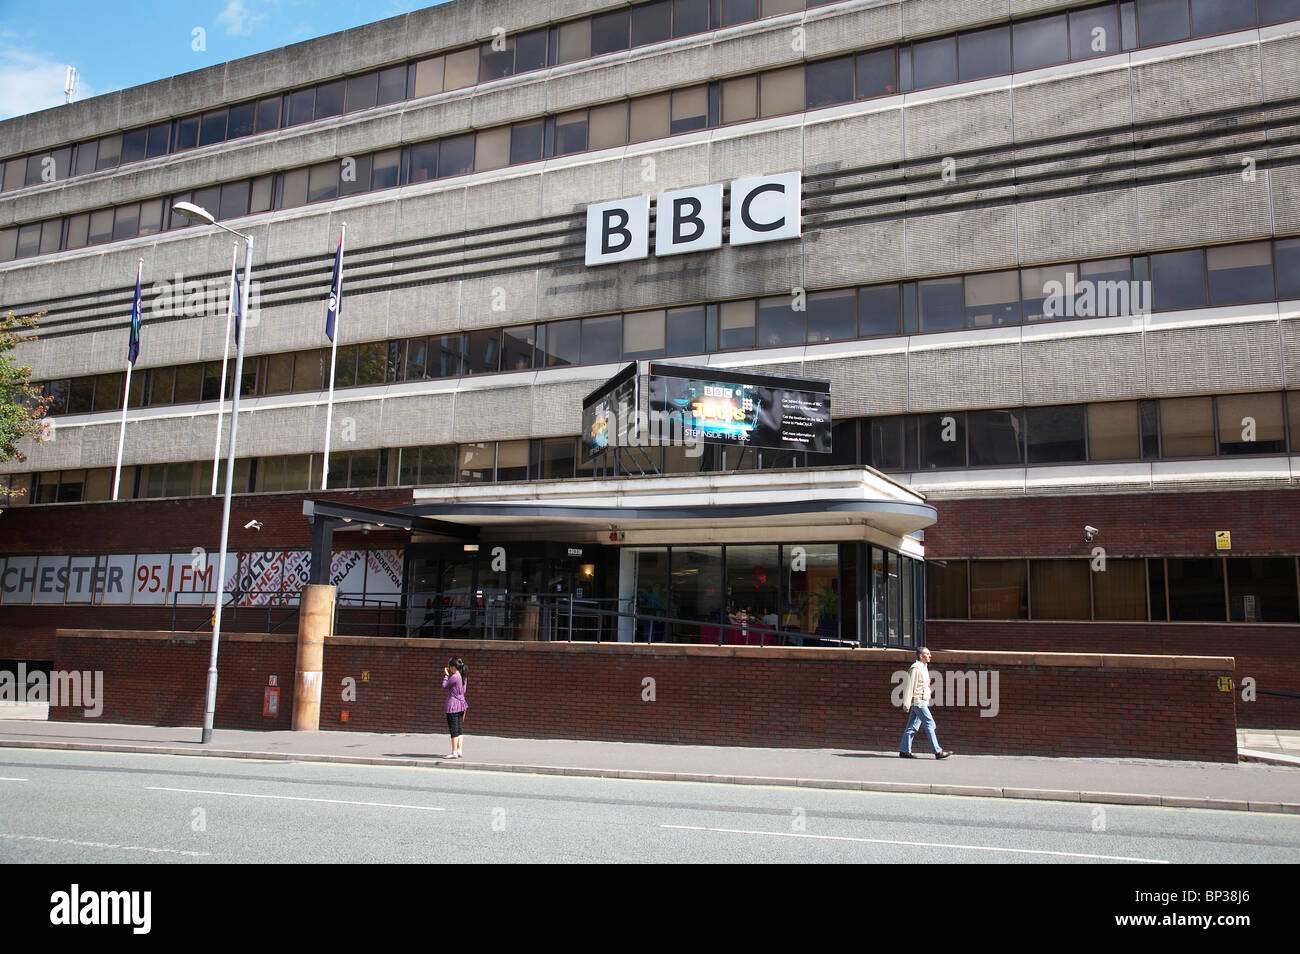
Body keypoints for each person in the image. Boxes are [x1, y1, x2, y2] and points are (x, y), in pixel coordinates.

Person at [899, 646, 952, 760]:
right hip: (919, 702)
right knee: (930, 723)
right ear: (921, 656)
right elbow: (910, 686)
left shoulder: (923, 667)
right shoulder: (916, 668)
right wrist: (906, 703)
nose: (930, 656)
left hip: (922, 700)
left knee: (912, 727)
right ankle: (937, 751)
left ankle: (904, 750)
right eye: (927, 654)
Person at [441, 656, 468, 759]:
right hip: (461, 705)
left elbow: (444, 686)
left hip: (452, 706)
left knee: (453, 730)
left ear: (452, 667)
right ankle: (459, 750)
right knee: (459, 729)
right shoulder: (463, 676)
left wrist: (446, 675)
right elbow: (464, 690)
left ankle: (454, 752)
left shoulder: (454, 676)